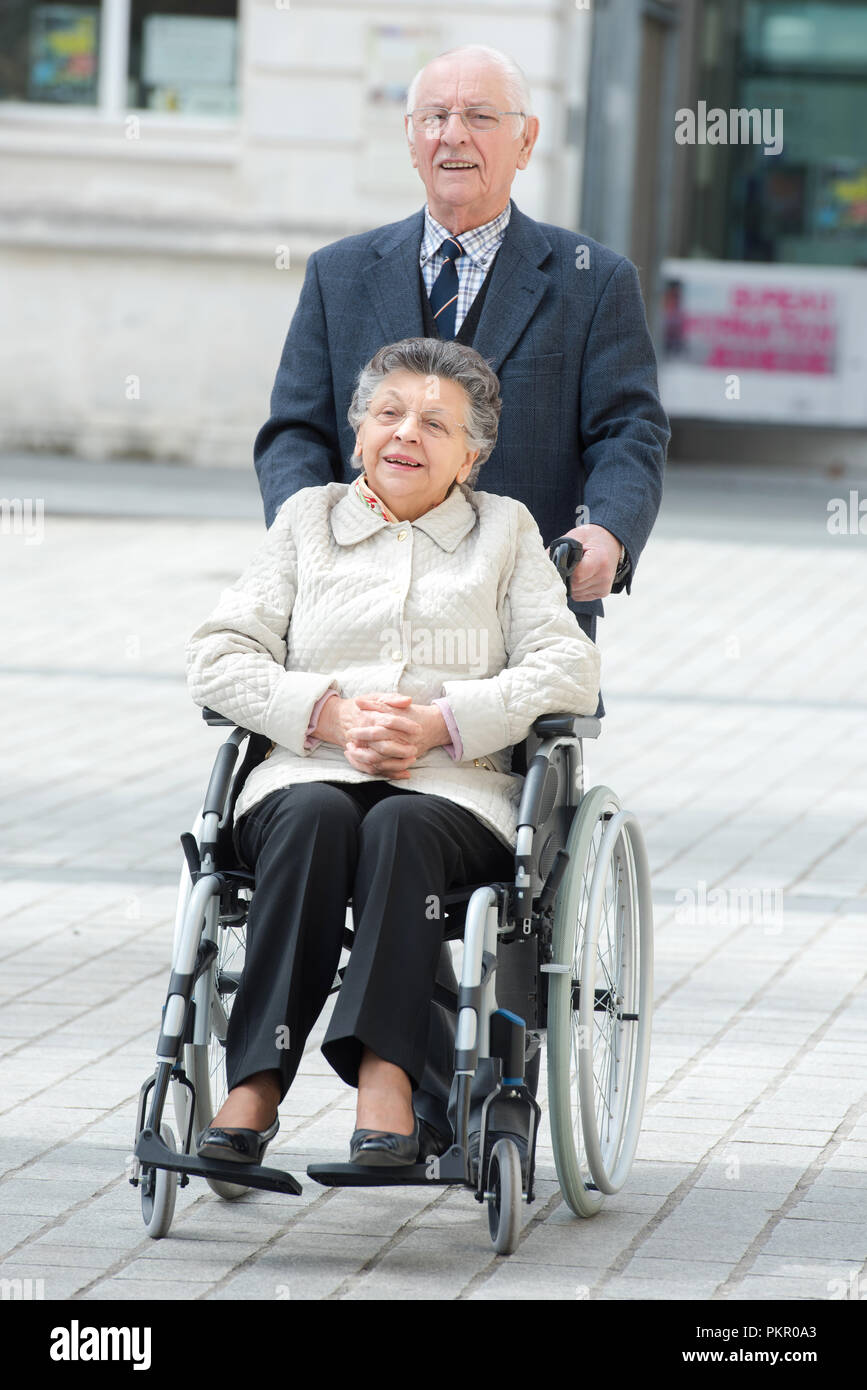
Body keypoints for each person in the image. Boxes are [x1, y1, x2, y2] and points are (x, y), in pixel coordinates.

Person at [252, 43, 670, 1155]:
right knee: (325, 821)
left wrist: (604, 534)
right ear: (408, 133)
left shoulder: (590, 280)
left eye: (481, 116)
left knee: (481, 848)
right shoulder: (345, 271)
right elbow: (295, 429)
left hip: (501, 626)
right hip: (354, 635)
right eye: (434, 113)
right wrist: (318, 539)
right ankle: (338, 1085)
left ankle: (487, 1088)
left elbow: (628, 429)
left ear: (525, 141)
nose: (454, 135)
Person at [186, 338, 600, 1168]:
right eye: (388, 414)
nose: (405, 433)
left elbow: (568, 668)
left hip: (453, 789)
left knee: (401, 827)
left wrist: (443, 723)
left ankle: (389, 1083)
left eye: (434, 423)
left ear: (472, 453)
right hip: (305, 771)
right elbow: (218, 655)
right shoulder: (308, 520)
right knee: (311, 817)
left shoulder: (505, 532)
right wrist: (327, 714)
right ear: (357, 432)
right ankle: (255, 1084)